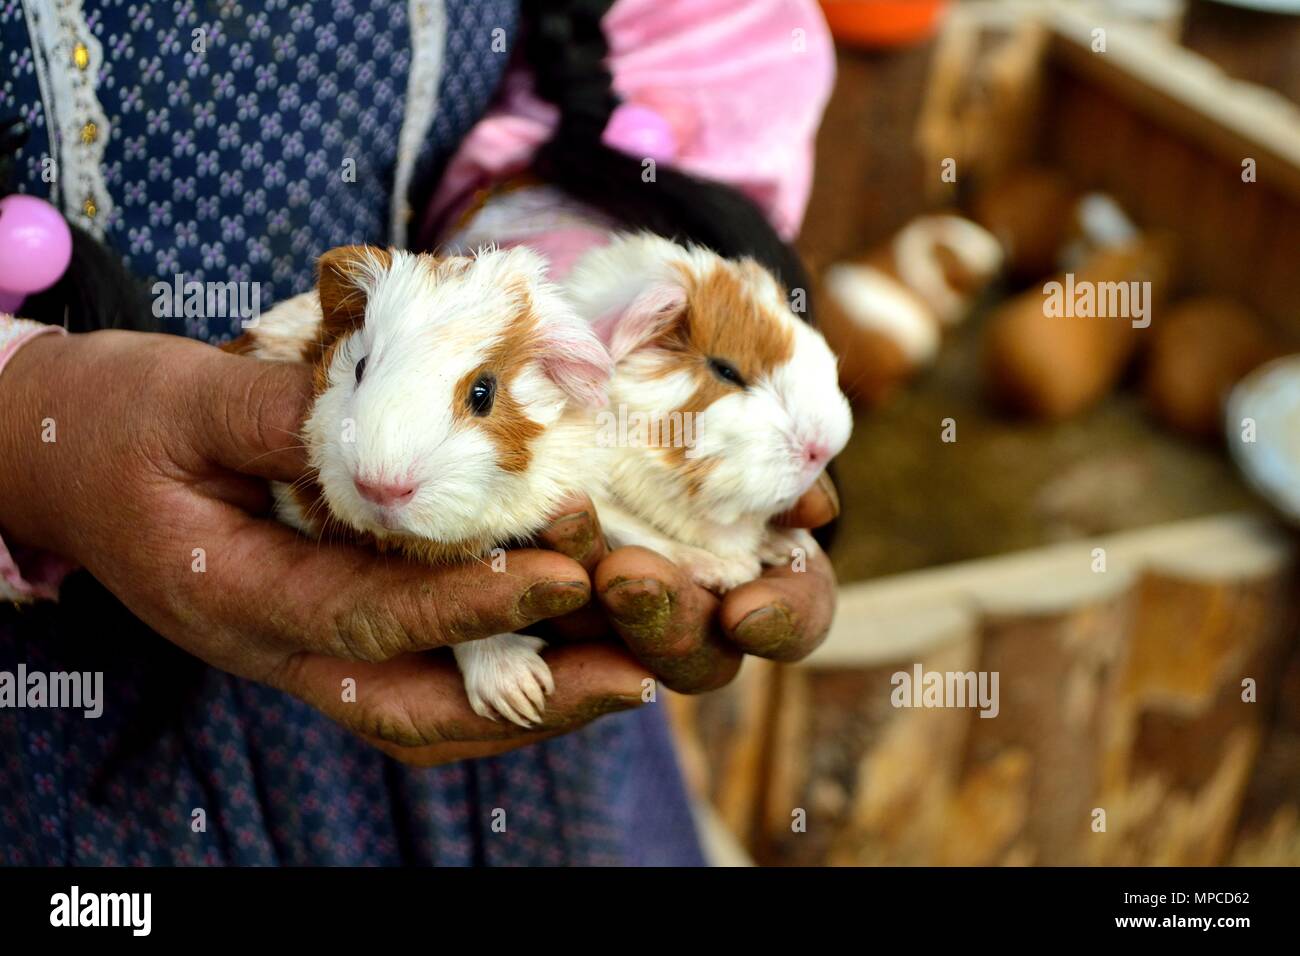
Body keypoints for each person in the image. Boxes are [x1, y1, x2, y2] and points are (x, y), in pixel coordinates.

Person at [0, 0, 838, 865]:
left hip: (524, 739)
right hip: (71, 701)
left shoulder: (575, 384)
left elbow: (703, 39)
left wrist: (568, 231)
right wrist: (25, 421)